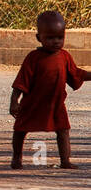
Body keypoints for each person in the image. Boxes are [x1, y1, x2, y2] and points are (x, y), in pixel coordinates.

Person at [10, 10, 84, 169]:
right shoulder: (33, 58)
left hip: (55, 103)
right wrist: (14, 101)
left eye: (59, 37)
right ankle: (16, 158)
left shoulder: (64, 56)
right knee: (20, 129)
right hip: (33, 102)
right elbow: (21, 81)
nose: (55, 41)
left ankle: (65, 160)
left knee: (63, 130)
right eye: (50, 38)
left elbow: (76, 74)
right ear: (39, 38)